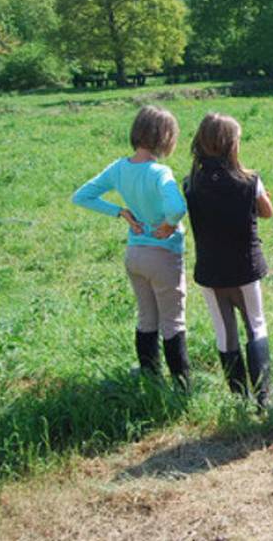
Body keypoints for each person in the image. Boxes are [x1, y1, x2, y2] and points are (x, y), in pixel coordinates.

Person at [72, 105, 190, 388]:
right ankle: (182, 388)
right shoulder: (160, 172)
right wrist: (170, 223)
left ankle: (150, 379)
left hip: (134, 254)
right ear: (165, 137)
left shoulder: (119, 167)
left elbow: (82, 196)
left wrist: (120, 212)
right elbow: (176, 206)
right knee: (173, 322)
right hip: (163, 256)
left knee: (146, 317)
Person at [184, 113, 273, 407]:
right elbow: (267, 212)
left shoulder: (191, 183)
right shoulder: (250, 180)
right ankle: (264, 398)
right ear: (231, 144)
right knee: (256, 326)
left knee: (225, 333)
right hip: (245, 268)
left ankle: (239, 399)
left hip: (210, 270)